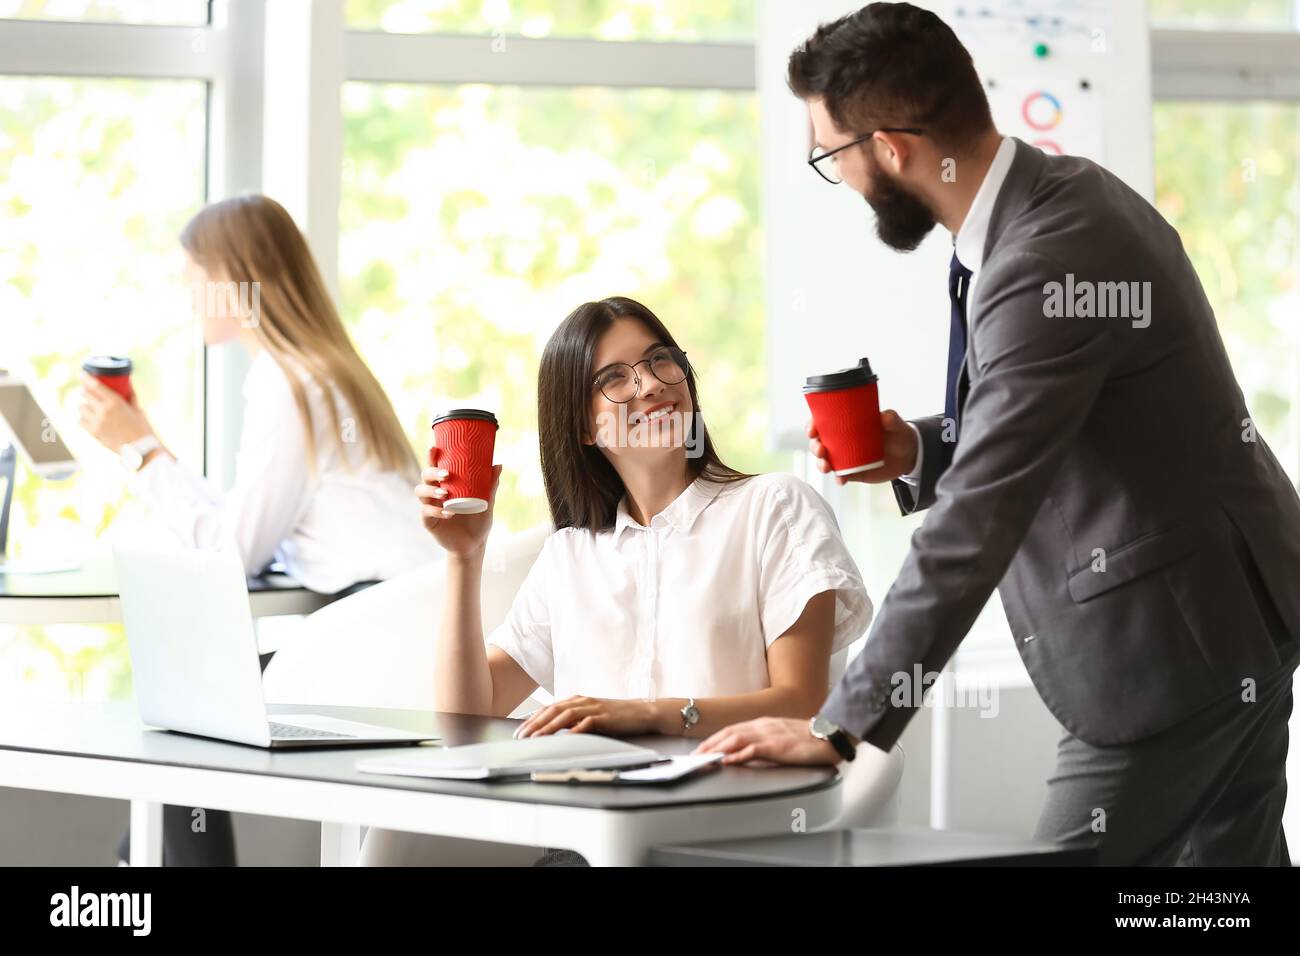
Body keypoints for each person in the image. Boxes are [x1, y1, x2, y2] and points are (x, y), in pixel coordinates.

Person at [698, 2, 1300, 867]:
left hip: (1176, 650)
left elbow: (977, 520)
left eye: (836, 157)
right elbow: (1063, 414)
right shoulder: (1061, 197)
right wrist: (921, 447)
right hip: (1239, 612)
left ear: (894, 149)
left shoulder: (1040, 256)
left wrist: (842, 729)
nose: (846, 181)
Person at [359, 295, 872, 865]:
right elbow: (467, 717)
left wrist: (649, 714)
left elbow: (802, 704)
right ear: (582, 426)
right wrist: (465, 556)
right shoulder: (571, 554)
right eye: (615, 379)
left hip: (730, 840)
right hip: (585, 846)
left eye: (660, 361)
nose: (651, 385)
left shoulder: (773, 507)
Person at [78, 194, 439, 865]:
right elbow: (255, 521)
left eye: (193, 278)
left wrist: (138, 452)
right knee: (193, 703)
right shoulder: (326, 371)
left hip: (379, 637)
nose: (188, 297)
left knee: (189, 705)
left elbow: (232, 553)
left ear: (235, 277)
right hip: (404, 625)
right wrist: (149, 441)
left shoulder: (286, 380)